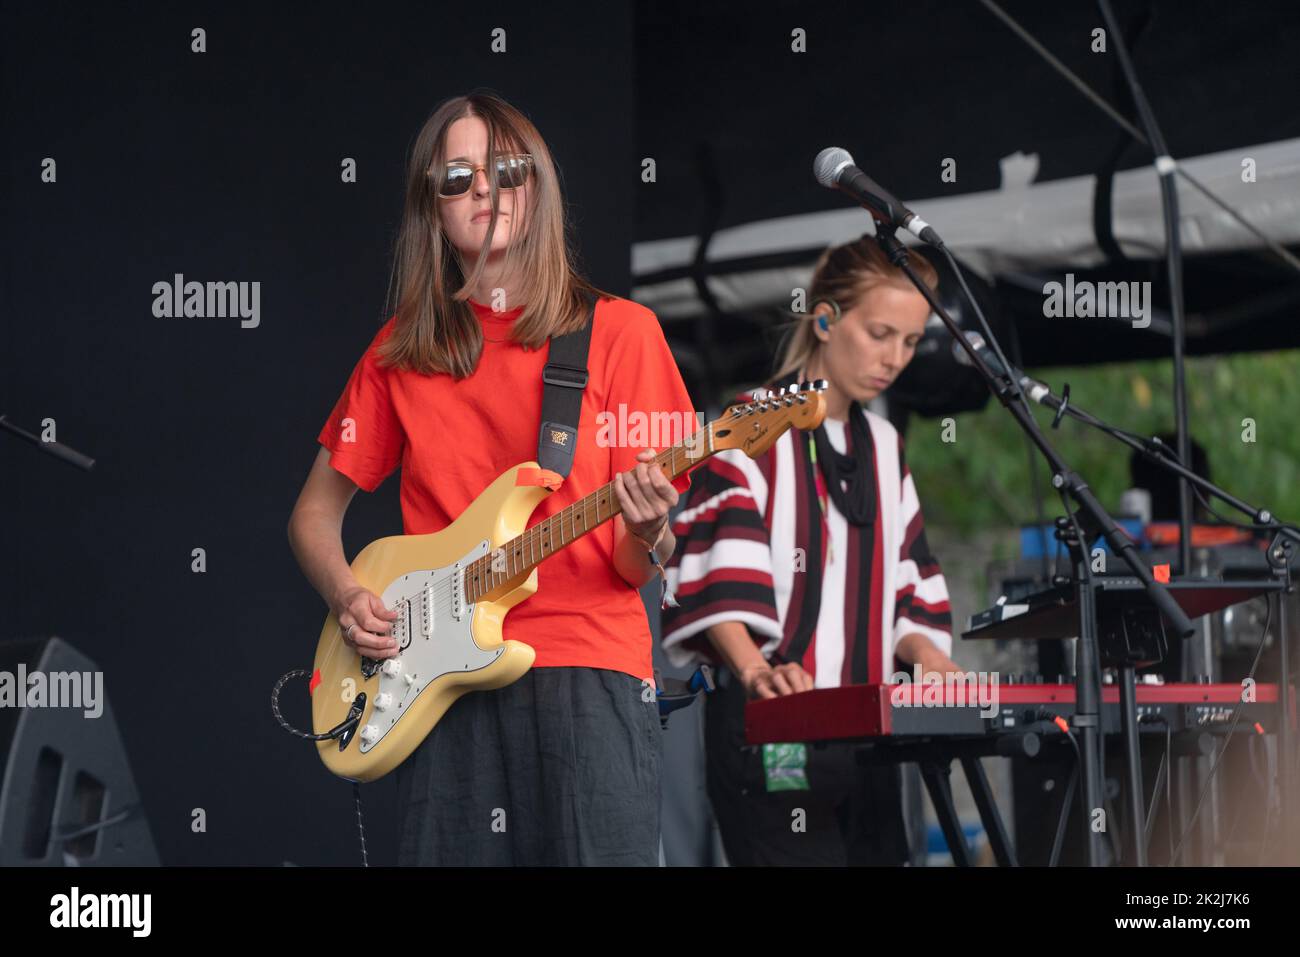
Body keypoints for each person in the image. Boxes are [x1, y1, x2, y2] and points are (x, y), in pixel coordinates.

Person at [287, 91, 696, 865]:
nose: (485, 189)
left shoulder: (620, 332)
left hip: (586, 665)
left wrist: (650, 529)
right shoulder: (397, 352)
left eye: (507, 171)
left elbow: (634, 564)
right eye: (458, 177)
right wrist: (348, 595)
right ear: (431, 208)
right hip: (436, 679)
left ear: (537, 188)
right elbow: (312, 515)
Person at [661, 235, 958, 865]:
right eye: (880, 333)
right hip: (776, 729)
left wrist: (930, 657)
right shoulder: (753, 420)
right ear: (825, 319)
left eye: (909, 341)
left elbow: (908, 583)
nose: (895, 358)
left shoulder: (884, 444)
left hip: (869, 732)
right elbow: (713, 575)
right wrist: (754, 671)